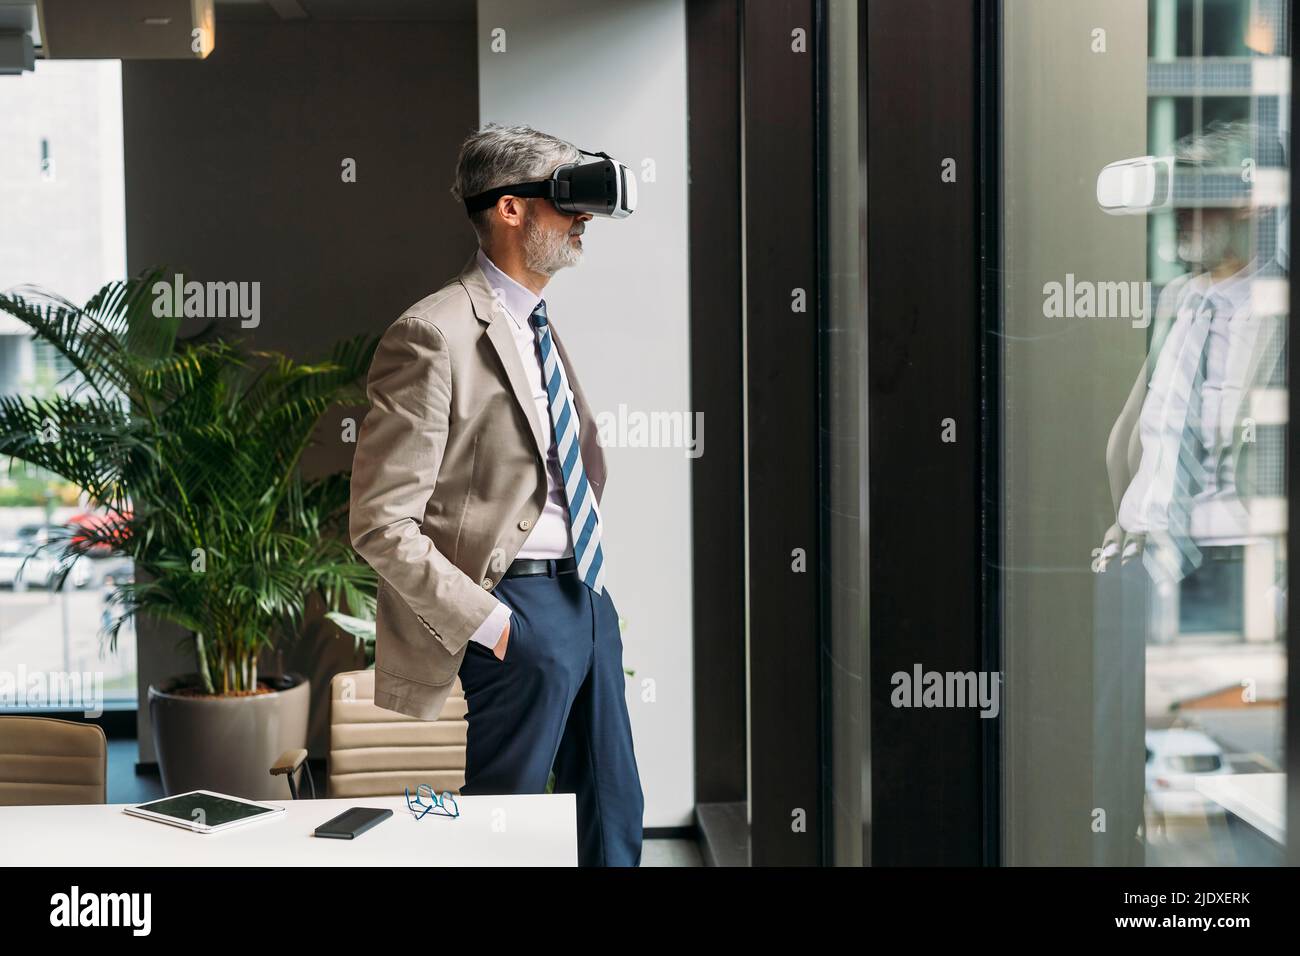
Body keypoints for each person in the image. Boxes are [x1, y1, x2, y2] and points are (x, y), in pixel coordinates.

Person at [349, 124, 644, 866]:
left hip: (587, 599)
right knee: (507, 829)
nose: (582, 220)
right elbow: (381, 523)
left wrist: (594, 600)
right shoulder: (431, 334)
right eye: (565, 200)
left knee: (612, 813)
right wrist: (497, 627)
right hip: (519, 611)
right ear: (511, 210)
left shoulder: (536, 324)